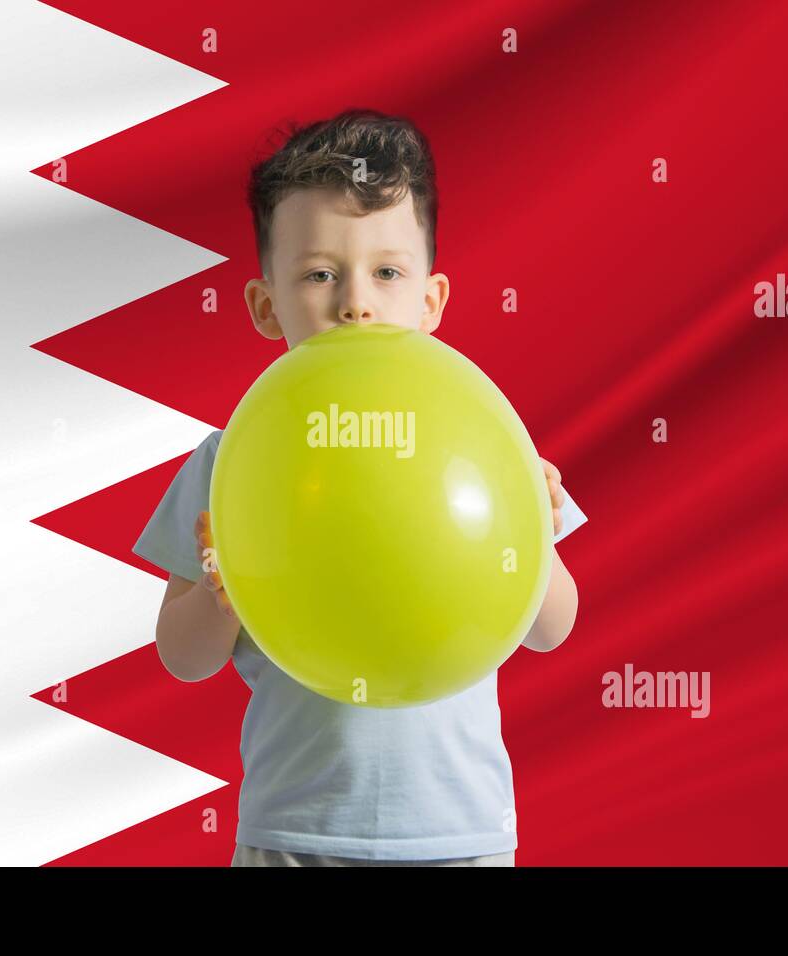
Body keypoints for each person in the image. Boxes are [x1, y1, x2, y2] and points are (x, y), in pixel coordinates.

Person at [132, 109, 585, 866]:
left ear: (432, 301)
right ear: (266, 306)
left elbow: (551, 628)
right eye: (318, 274)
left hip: (458, 834)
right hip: (295, 833)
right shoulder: (234, 458)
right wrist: (220, 590)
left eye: (387, 272)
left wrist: (531, 534)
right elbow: (182, 658)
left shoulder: (483, 444)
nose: (356, 303)